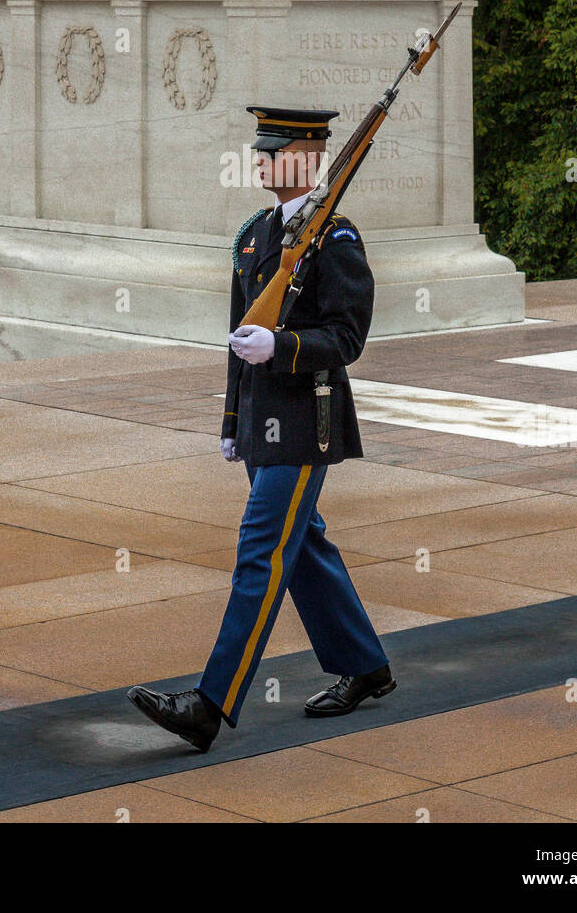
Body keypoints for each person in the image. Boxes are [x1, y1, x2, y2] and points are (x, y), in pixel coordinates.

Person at [127, 106, 394, 752]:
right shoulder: (254, 234)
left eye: (272, 150)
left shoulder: (335, 240)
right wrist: (229, 420)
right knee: (302, 546)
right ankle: (364, 665)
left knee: (261, 549)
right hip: (260, 421)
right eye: (260, 148)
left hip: (309, 419)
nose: (260, 159)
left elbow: (346, 338)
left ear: (306, 158)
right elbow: (234, 336)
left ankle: (210, 704)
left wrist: (281, 346)